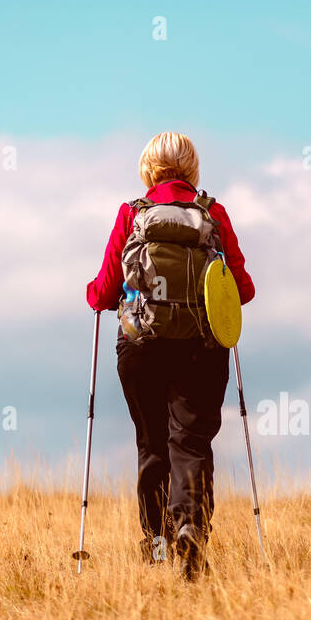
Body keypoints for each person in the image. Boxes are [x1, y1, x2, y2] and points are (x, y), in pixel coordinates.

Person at [86, 132, 255, 578]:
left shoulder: (132, 214)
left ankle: (157, 541)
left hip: (141, 346)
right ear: (191, 168)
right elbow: (243, 289)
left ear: (148, 168)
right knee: (191, 441)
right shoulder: (212, 214)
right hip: (201, 347)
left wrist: (96, 296)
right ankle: (191, 528)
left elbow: (103, 291)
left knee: (152, 442)